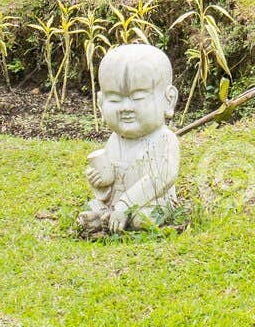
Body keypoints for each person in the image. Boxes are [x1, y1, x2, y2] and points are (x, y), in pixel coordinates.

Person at [77, 43, 181, 235]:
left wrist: (125, 206)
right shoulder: (114, 140)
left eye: (138, 97)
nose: (126, 108)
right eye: (115, 99)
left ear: (169, 99)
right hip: (117, 202)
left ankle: (117, 218)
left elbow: (160, 179)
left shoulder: (165, 140)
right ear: (100, 103)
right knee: (95, 205)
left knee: (141, 218)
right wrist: (101, 182)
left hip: (153, 200)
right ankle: (107, 217)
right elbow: (112, 174)